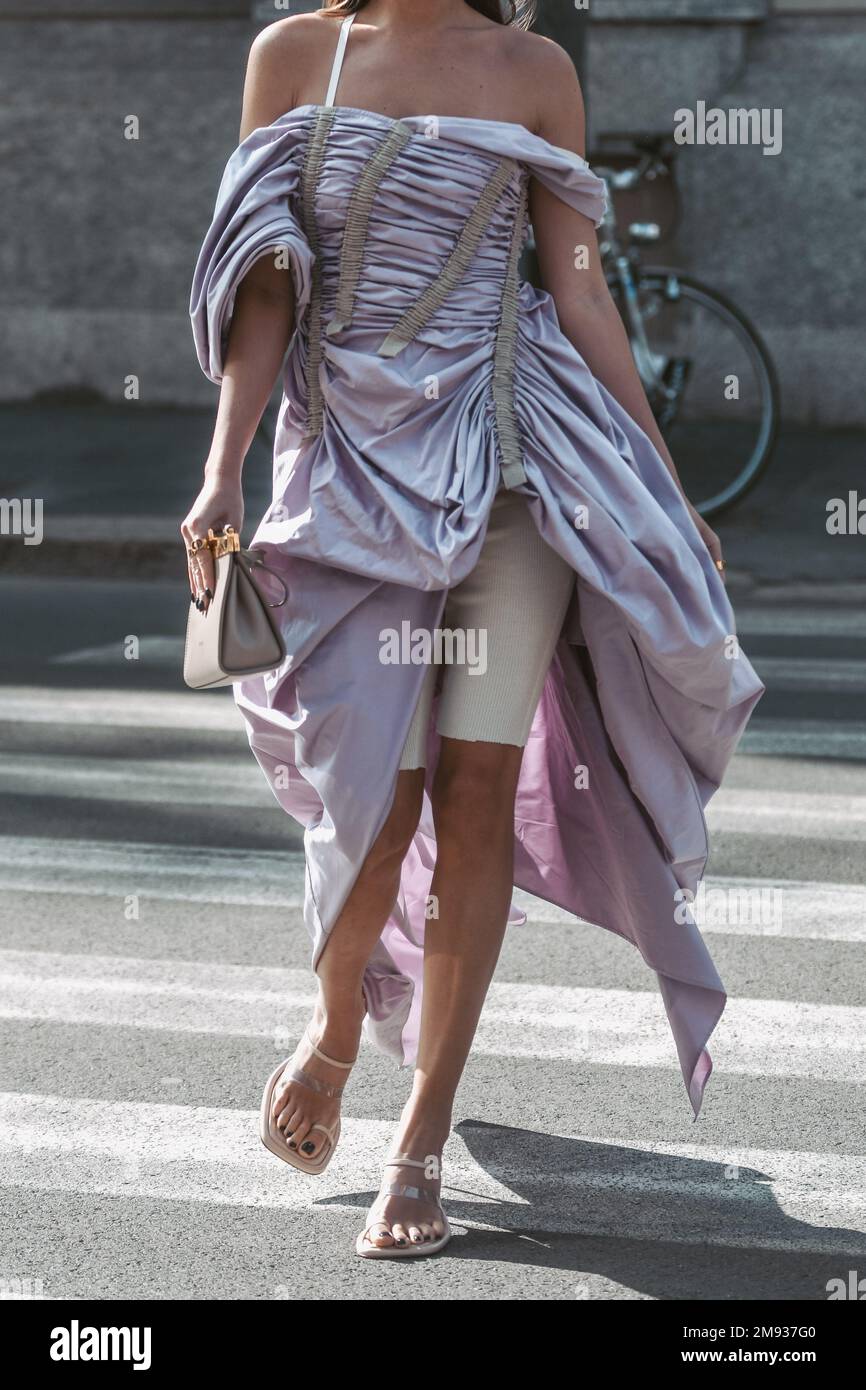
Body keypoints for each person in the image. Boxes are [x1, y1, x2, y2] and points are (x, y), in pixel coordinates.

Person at [185, 0, 763, 1260]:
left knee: (475, 787)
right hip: (344, 477)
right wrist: (224, 467)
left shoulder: (534, 67)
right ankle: (337, 1026)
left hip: (511, 465)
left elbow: (576, 289)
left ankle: (421, 1135)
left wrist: (664, 485)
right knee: (374, 807)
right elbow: (265, 281)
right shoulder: (293, 56)